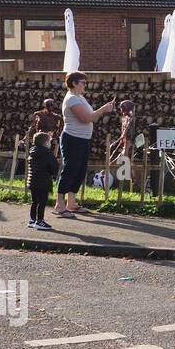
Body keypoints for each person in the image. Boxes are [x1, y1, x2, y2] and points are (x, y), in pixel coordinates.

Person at [56, 71, 115, 217]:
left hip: (82, 139)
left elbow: (90, 115)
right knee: (70, 170)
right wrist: (104, 109)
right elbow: (87, 118)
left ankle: (71, 203)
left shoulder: (79, 97)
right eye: (83, 82)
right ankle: (59, 204)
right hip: (73, 139)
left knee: (80, 170)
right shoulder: (71, 99)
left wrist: (102, 109)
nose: (85, 85)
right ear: (74, 83)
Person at [26, 131, 59, 230]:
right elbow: (54, 167)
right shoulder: (48, 154)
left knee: (35, 201)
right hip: (43, 182)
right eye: (49, 142)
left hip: (32, 181)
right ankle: (40, 221)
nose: (50, 144)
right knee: (42, 202)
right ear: (45, 143)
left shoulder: (32, 152)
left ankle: (32, 220)